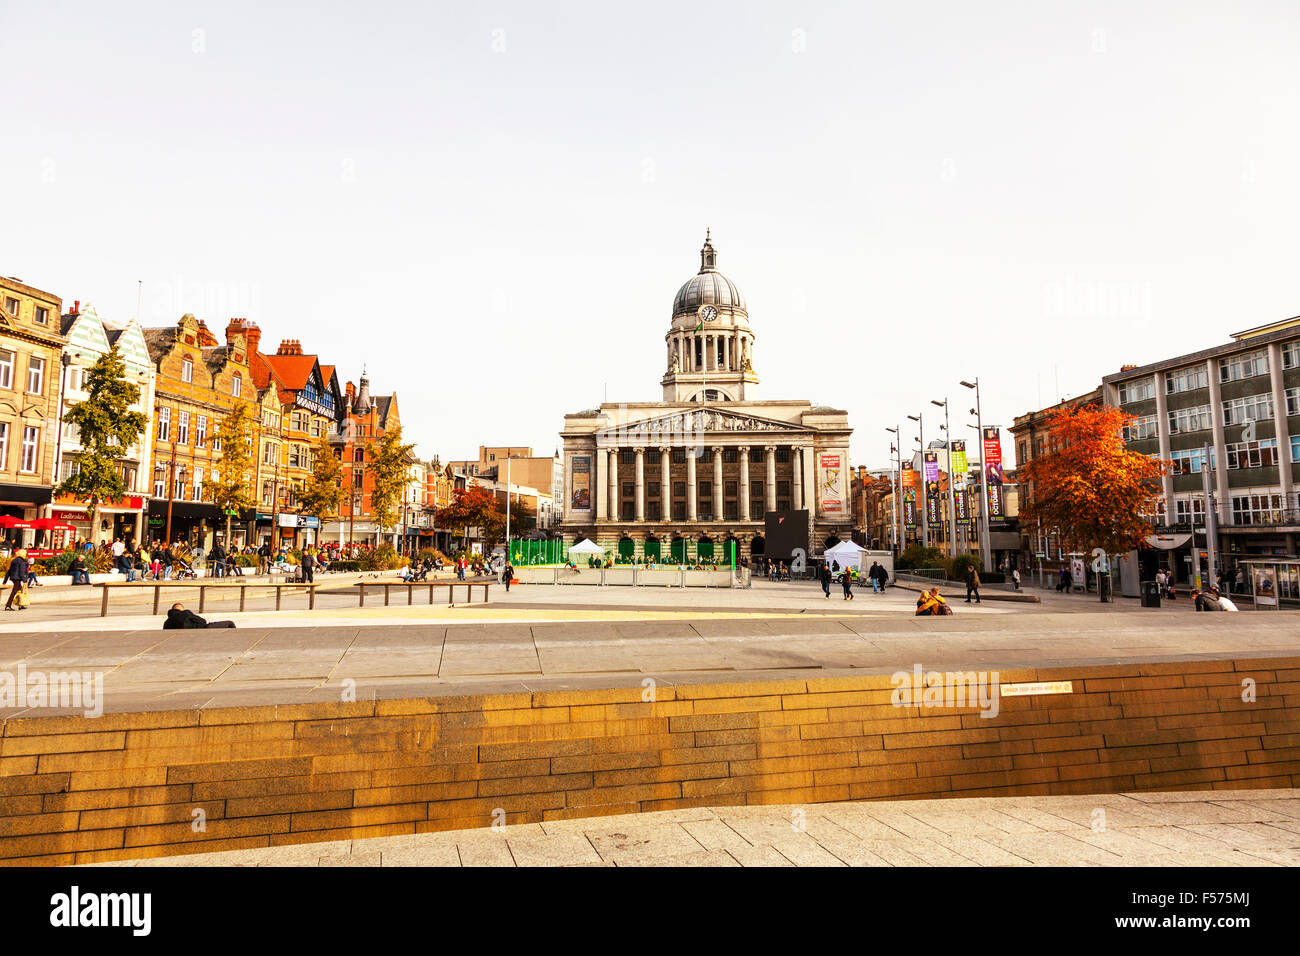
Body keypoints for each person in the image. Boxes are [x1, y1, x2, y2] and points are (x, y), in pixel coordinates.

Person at [162, 603, 236, 629]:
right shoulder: (186, 613)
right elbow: (203, 621)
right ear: (181, 608)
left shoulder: (166, 623)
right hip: (200, 630)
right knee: (230, 623)